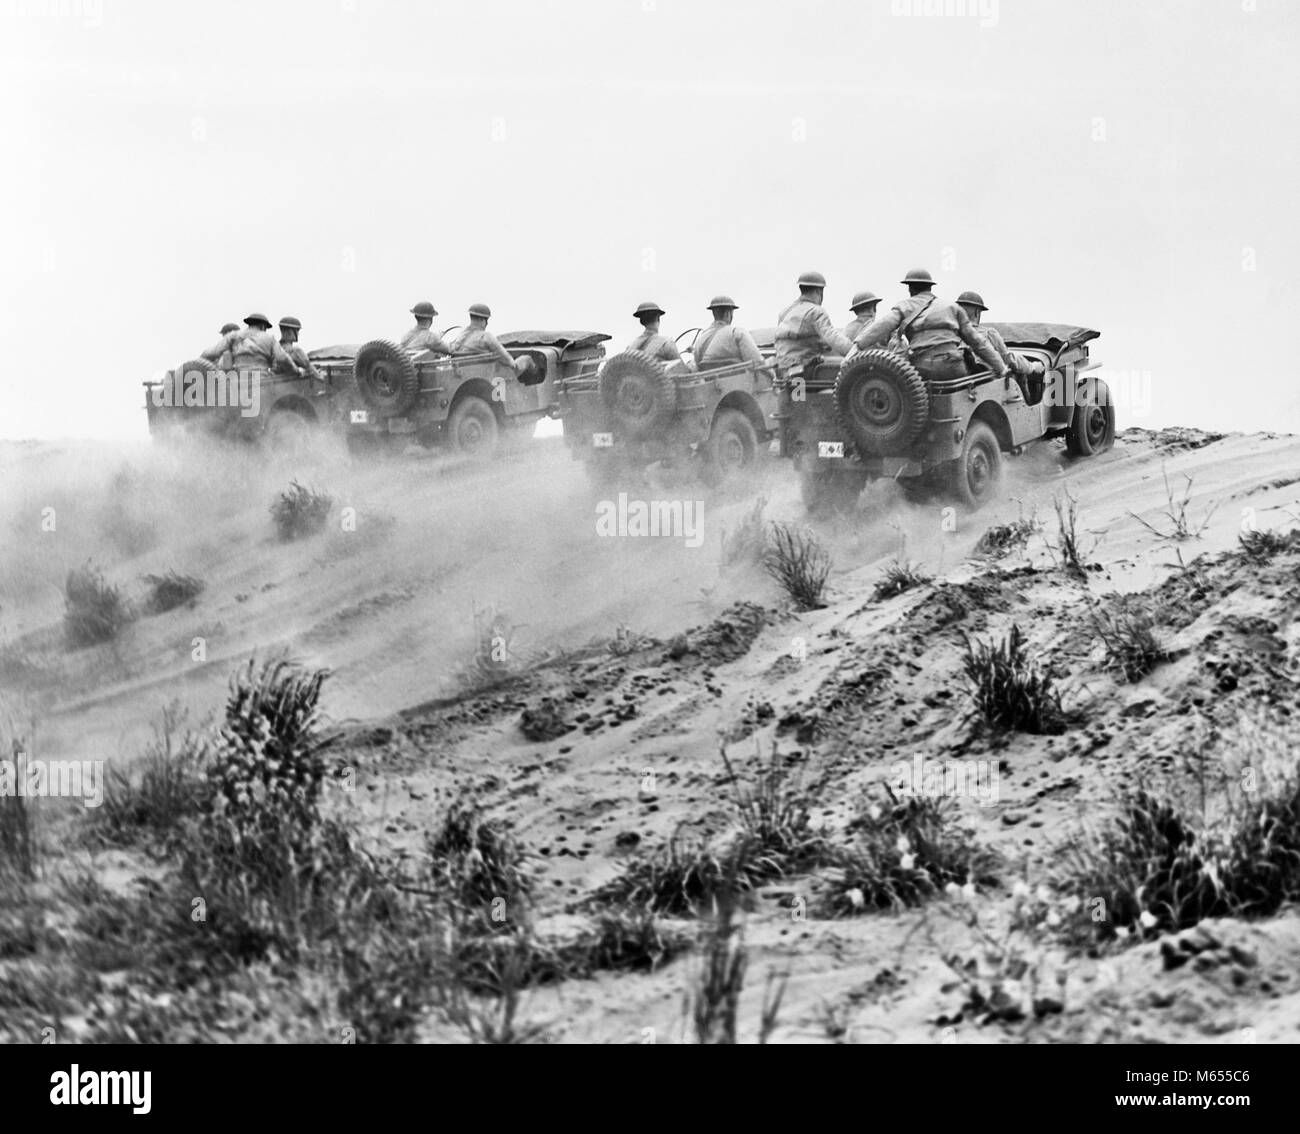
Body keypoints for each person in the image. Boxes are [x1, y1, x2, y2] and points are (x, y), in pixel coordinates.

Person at [853, 269, 1006, 382]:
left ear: (910, 288)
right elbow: (978, 343)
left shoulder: (905, 306)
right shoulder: (952, 308)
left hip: (922, 369)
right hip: (953, 367)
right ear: (930, 287)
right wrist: (1001, 367)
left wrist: (857, 345)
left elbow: (882, 326)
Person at [774, 271, 853, 376]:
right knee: (847, 373)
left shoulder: (785, 312)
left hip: (784, 370)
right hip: (804, 370)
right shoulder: (815, 311)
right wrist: (855, 350)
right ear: (819, 291)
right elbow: (833, 338)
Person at [955, 291, 1045, 383]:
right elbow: (1009, 360)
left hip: (955, 387)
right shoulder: (988, 333)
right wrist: (1032, 367)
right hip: (985, 388)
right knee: (1019, 376)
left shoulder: (950, 336)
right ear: (977, 312)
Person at [201, 312, 299, 375]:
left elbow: (211, 352)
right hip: (262, 382)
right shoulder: (269, 338)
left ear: (249, 324)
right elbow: (282, 358)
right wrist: (296, 371)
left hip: (238, 381)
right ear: (263, 326)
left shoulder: (234, 336)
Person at [450, 303, 528, 374]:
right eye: (486, 320)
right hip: (484, 373)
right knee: (527, 359)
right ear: (482, 320)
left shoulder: (460, 336)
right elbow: (507, 360)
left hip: (462, 370)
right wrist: (513, 363)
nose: (486, 324)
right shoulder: (486, 337)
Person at [693, 295, 765, 368]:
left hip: (707, 378)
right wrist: (772, 374)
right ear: (728, 313)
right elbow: (757, 362)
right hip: (739, 378)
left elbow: (696, 365)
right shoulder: (737, 333)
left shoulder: (700, 340)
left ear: (713, 313)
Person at [275, 316, 321, 381]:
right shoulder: (295, 351)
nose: (298, 334)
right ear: (290, 332)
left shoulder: (274, 348)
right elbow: (312, 370)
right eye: (297, 331)